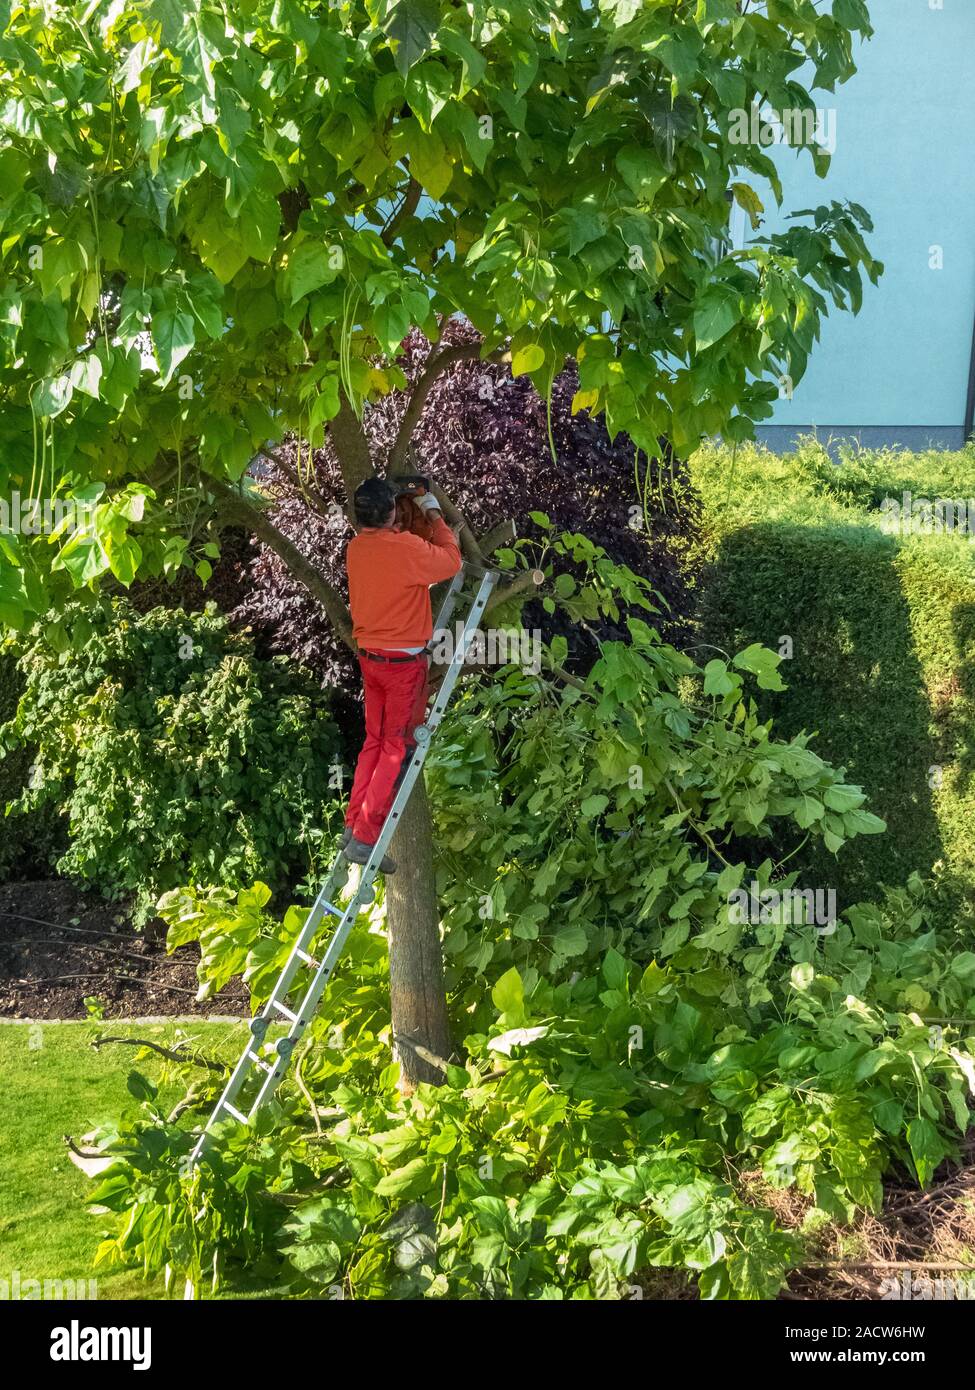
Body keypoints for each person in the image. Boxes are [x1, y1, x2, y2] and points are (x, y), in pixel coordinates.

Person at [341, 476, 462, 872]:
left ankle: (352, 824)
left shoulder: (356, 549)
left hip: (371, 660)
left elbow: (391, 550)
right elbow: (450, 559)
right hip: (403, 668)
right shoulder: (408, 549)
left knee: (374, 743)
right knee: (396, 748)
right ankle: (364, 837)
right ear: (393, 512)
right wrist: (432, 511)